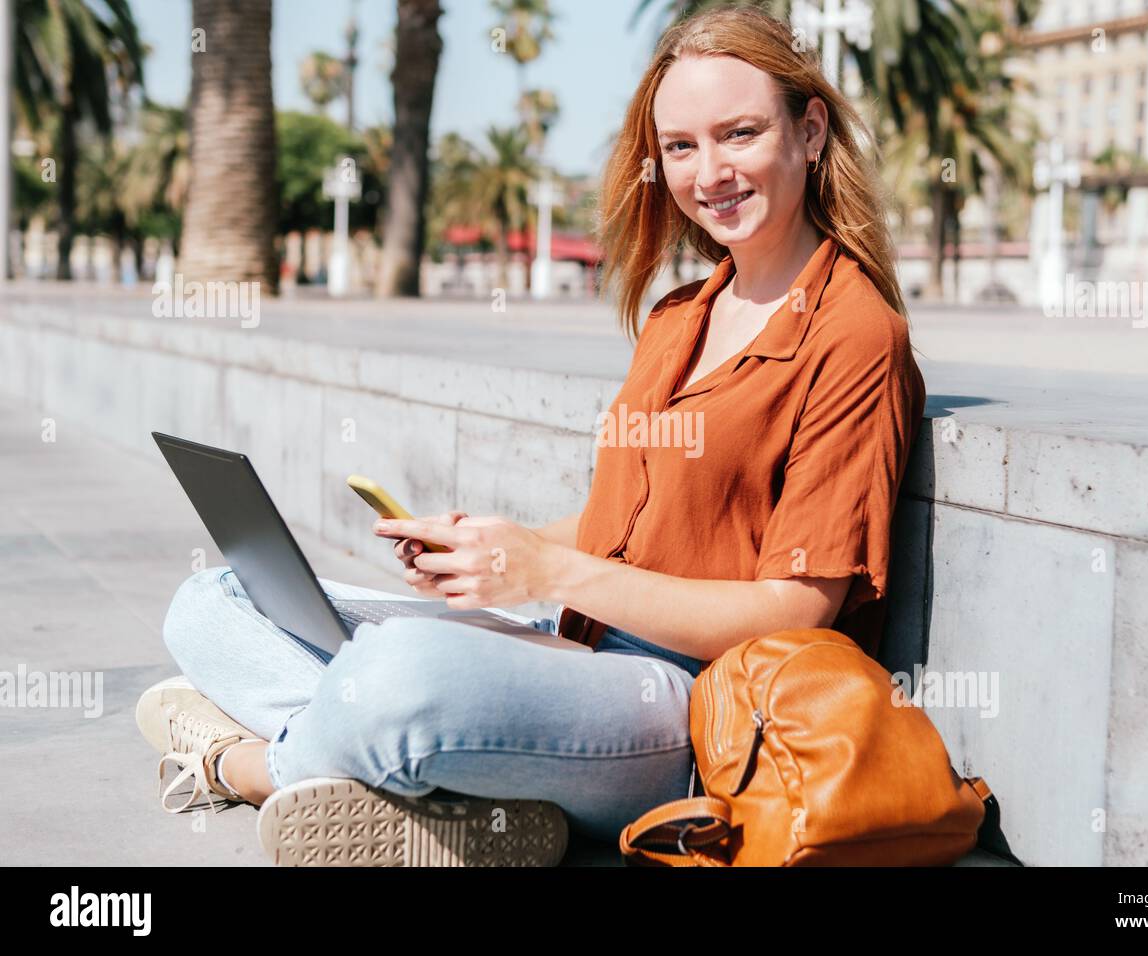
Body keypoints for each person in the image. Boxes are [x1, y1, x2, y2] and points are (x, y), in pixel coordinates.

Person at [138, 5, 927, 867]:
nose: (710, 171)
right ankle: (428, 790)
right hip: (575, 641)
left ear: (809, 132)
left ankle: (248, 762)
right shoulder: (679, 318)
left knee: (395, 676)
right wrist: (487, 548)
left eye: (739, 134)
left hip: (692, 715)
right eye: (682, 147)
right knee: (213, 601)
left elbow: (796, 612)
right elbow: (620, 524)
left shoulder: (854, 334)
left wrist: (547, 571)